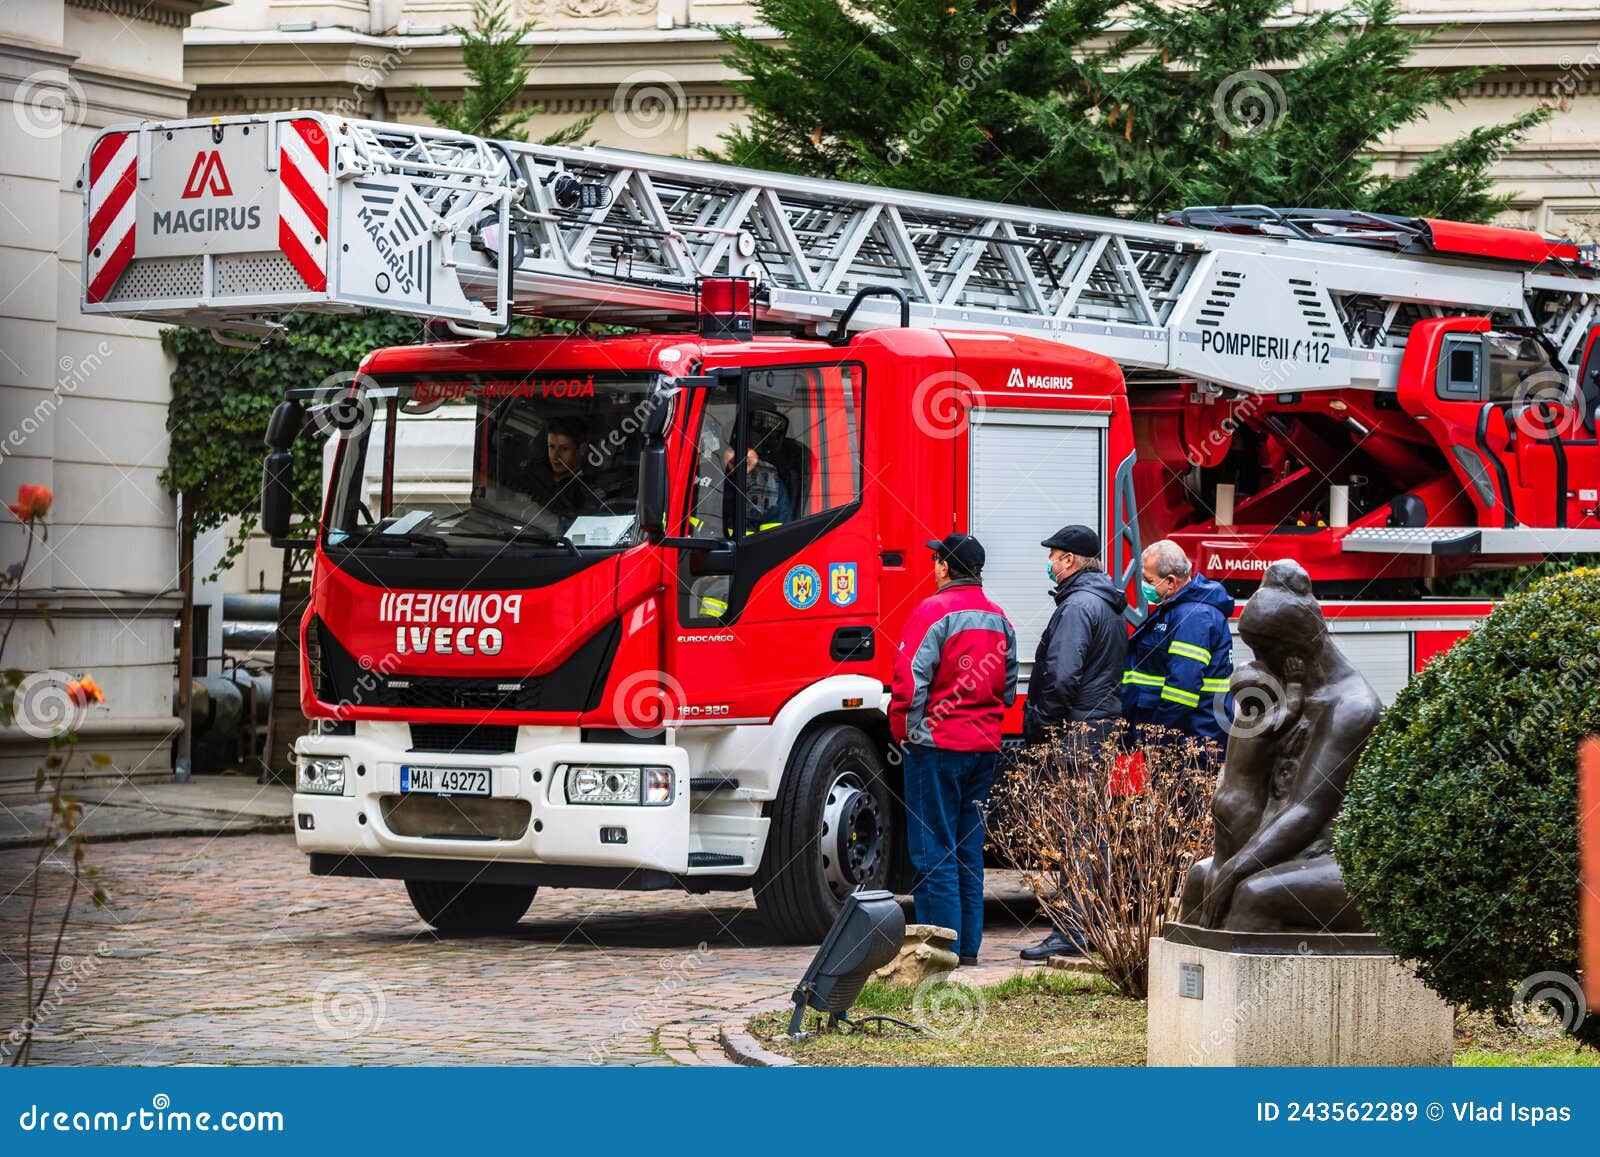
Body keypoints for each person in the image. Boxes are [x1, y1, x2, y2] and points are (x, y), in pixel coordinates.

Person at [889, 533, 1018, 967]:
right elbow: (1007, 687)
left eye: (936, 559)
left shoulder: (932, 611)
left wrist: (904, 733)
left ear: (946, 566)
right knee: (967, 849)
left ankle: (937, 952)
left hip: (936, 747)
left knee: (932, 851)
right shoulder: (999, 617)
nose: (933, 565)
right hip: (983, 747)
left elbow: (909, 681)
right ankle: (967, 949)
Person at [1019, 524, 1129, 962]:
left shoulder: (1078, 607)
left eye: (1054, 556)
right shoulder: (1106, 603)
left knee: (1077, 835)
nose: (1049, 564)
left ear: (1070, 561)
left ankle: (1073, 931)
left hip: (1078, 737)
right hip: (1103, 731)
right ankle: (1092, 925)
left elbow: (1061, 675)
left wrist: (1042, 723)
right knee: (1095, 833)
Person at [1122, 539, 1234, 748]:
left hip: (1192, 740)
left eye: (1149, 580)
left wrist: (1158, 739)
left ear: (1171, 581)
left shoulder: (1193, 617)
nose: (1144, 586)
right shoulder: (1179, 608)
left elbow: (1182, 689)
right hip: (1187, 734)